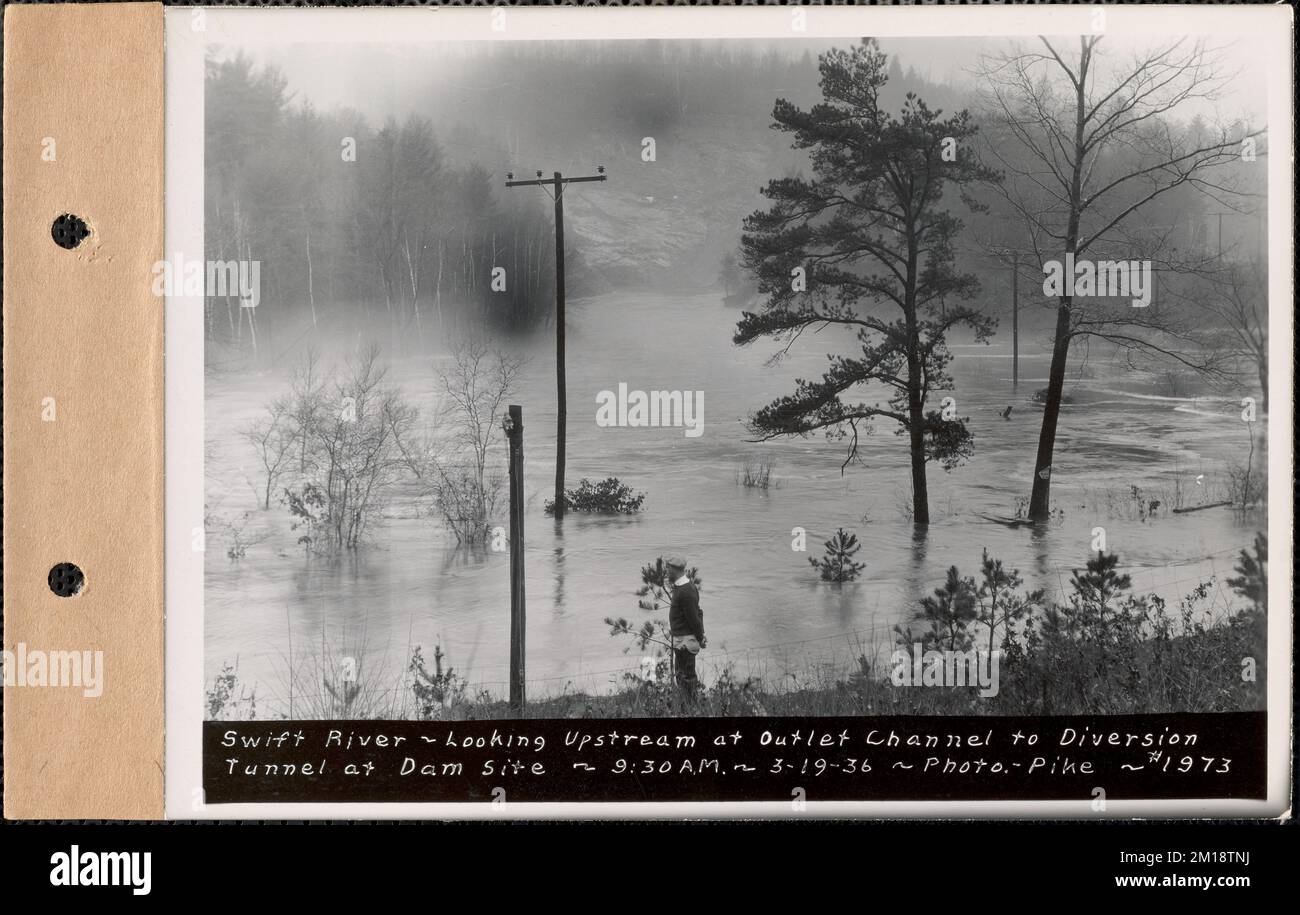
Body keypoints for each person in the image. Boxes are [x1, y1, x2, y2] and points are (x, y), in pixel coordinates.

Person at [665, 556, 704, 696]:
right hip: (682, 642)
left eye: (668, 569)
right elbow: (698, 612)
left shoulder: (686, 591)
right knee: (682, 678)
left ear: (675, 570)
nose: (667, 572)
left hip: (686, 643)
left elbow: (694, 617)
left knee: (687, 680)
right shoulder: (682, 587)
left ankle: (691, 709)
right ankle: (687, 708)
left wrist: (701, 637)